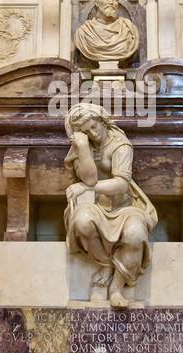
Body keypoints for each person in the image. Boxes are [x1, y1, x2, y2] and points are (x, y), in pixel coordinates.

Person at [63, 102, 157, 310]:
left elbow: (121, 184)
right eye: (86, 132)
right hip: (94, 206)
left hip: (125, 206)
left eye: (94, 126)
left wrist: (86, 189)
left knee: (135, 233)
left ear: (103, 121)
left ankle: (116, 287)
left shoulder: (120, 144)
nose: (93, 134)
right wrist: (84, 148)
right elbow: (89, 179)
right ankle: (106, 265)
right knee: (82, 222)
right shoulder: (82, 146)